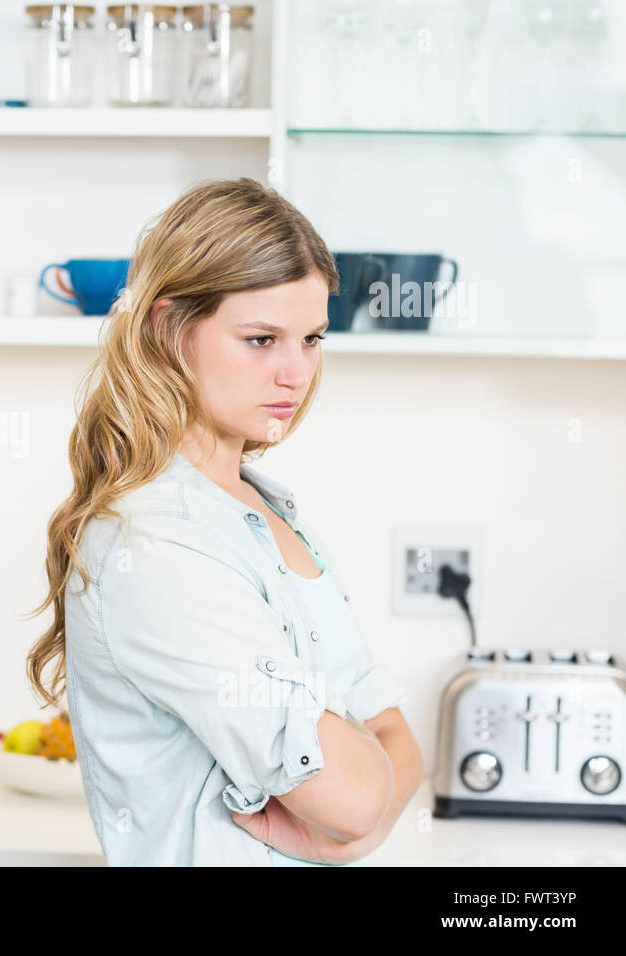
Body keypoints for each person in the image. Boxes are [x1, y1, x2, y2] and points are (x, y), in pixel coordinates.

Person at [28, 177, 423, 866]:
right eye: (262, 339)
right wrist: (354, 813)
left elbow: (400, 745)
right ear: (168, 328)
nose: (295, 373)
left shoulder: (267, 511)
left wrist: (351, 834)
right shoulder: (155, 541)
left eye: (312, 339)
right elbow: (356, 795)